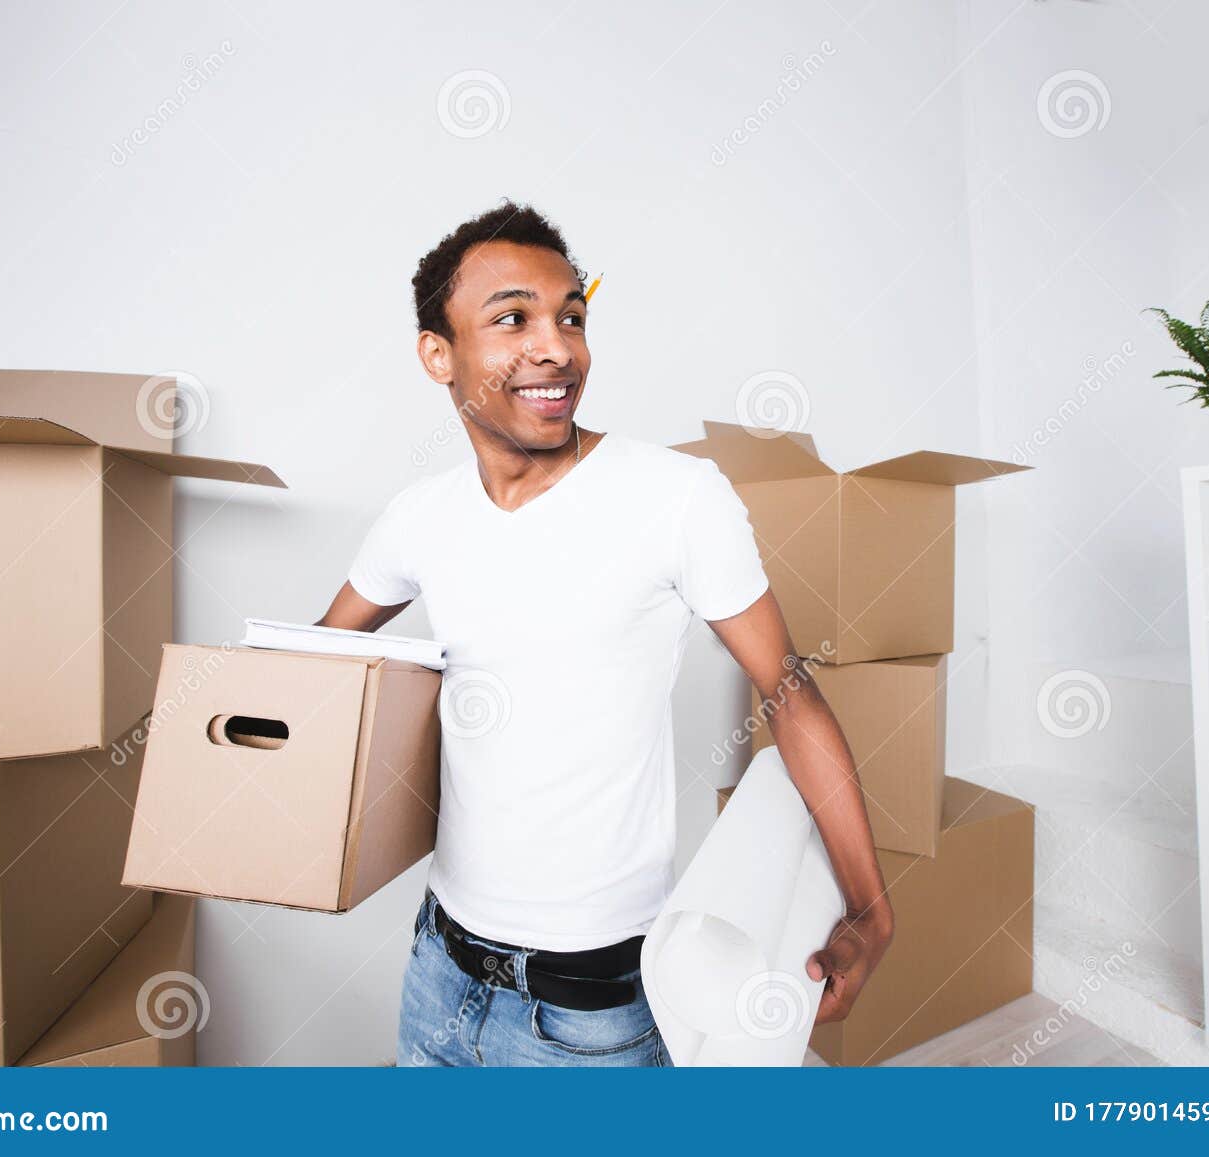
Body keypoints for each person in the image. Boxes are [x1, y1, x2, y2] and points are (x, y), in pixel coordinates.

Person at [318, 200, 893, 1067]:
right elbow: (320, 668)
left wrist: (870, 905)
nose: (557, 347)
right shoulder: (418, 517)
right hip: (439, 967)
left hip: (591, 1009)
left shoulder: (676, 497)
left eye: (572, 318)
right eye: (513, 318)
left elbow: (788, 689)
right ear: (438, 352)